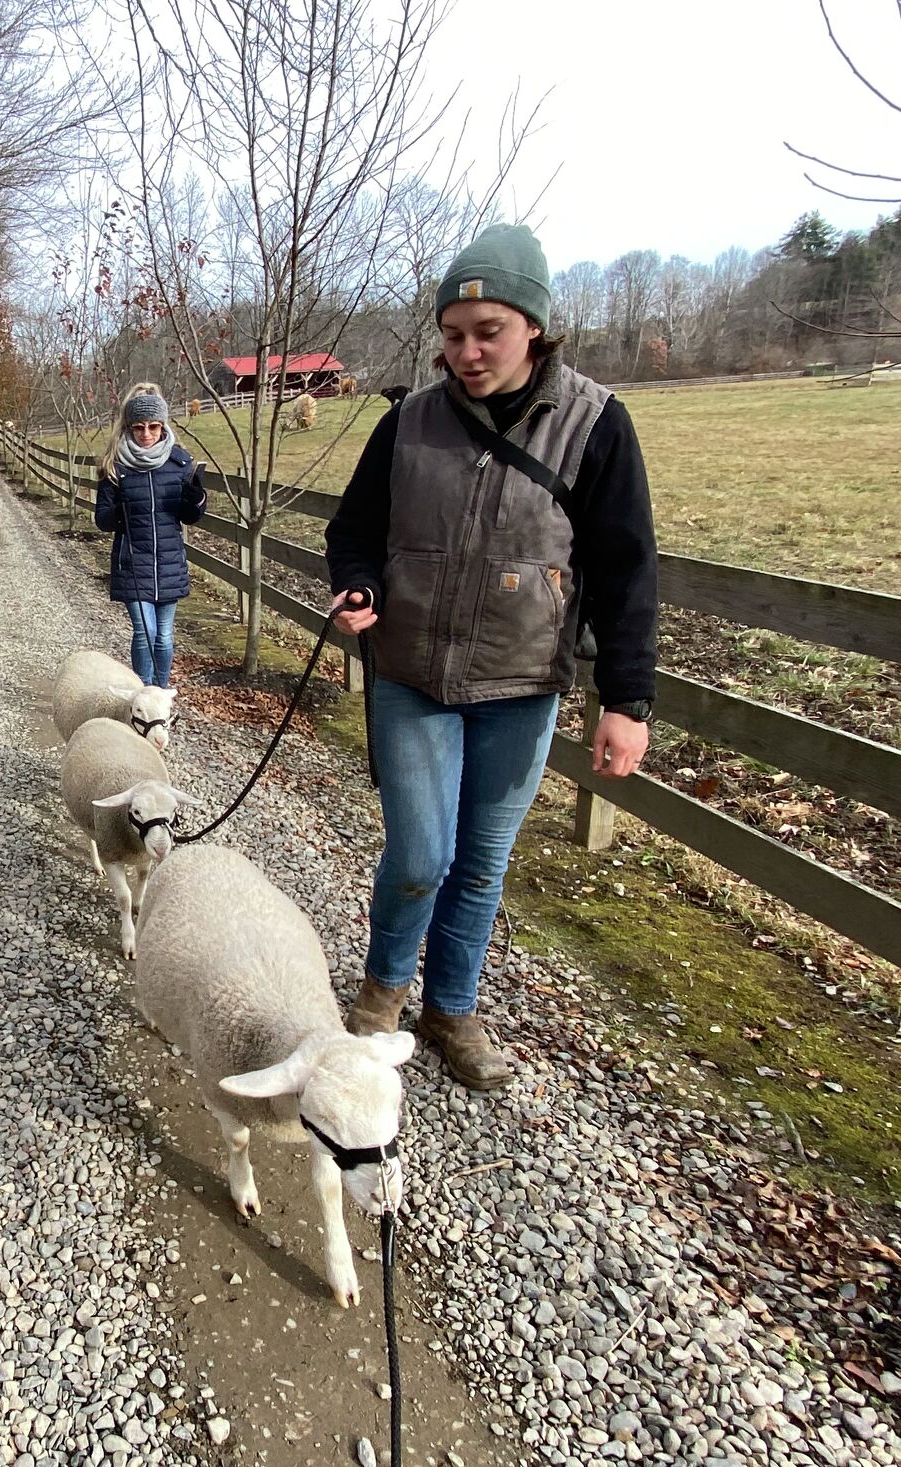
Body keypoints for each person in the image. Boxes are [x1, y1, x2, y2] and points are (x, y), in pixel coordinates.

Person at [324, 224, 658, 1089]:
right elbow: (354, 527)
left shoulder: (596, 425)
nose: (467, 352)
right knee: (421, 852)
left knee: (480, 861)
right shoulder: (408, 422)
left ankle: (453, 1007)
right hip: (413, 676)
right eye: (452, 333)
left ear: (535, 328)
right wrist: (358, 581)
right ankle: (384, 992)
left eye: (488, 332)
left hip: (523, 682)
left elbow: (626, 569)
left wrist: (626, 701)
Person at [93, 384, 208, 686]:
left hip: (169, 563)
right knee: (146, 632)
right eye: (139, 427)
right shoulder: (114, 467)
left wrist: (196, 496)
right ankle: (142, 692)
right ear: (129, 428)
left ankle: (161, 694)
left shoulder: (180, 462)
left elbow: (190, 516)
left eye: (153, 426)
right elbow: (102, 519)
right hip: (133, 562)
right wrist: (123, 510)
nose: (146, 434)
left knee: (166, 636)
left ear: (163, 425)